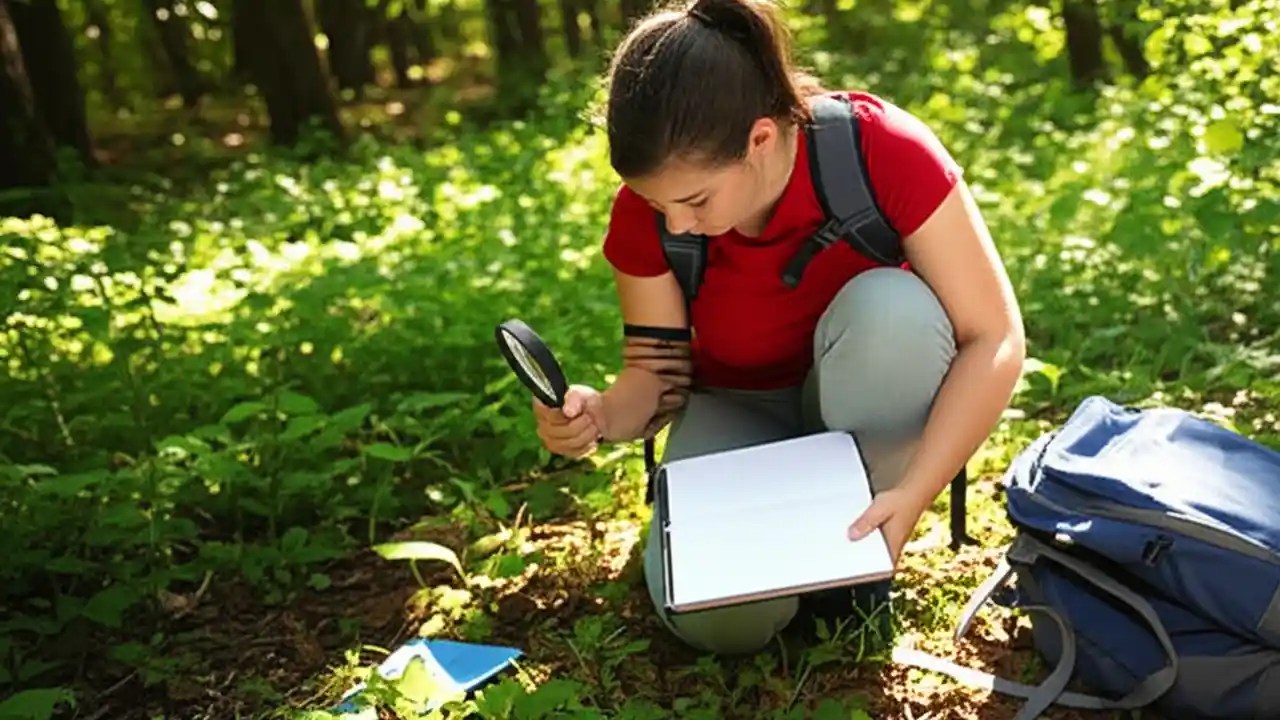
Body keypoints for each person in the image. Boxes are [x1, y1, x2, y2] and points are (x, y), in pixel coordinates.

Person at [530, 0, 1026, 656]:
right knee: (719, 622)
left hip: (869, 414)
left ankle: (860, 546)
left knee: (893, 310)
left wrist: (915, 491)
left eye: (695, 201)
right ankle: (790, 567)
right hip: (738, 411)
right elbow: (658, 374)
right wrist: (597, 416)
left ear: (760, 139)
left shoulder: (882, 151)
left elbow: (993, 337)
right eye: (657, 204)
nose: (675, 224)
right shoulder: (650, 217)